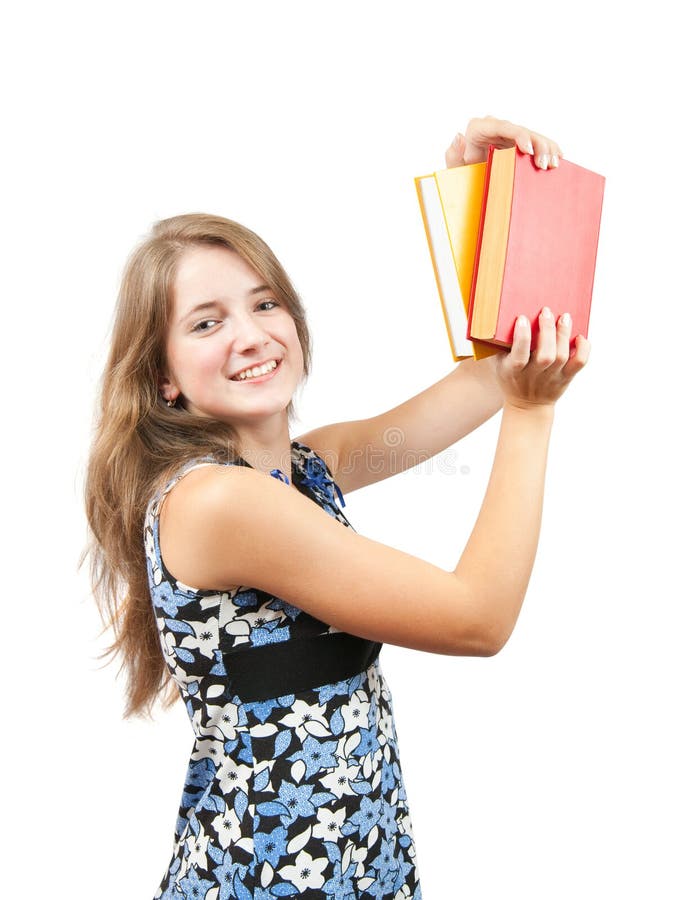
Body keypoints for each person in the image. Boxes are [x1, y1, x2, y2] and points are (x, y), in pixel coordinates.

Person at [84, 115, 587, 899]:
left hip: (362, 858)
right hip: (272, 878)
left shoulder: (314, 469)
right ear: (164, 378)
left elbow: (493, 371)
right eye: (207, 322)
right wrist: (533, 415)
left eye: (264, 304)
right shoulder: (217, 504)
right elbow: (476, 618)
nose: (250, 335)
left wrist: (489, 207)